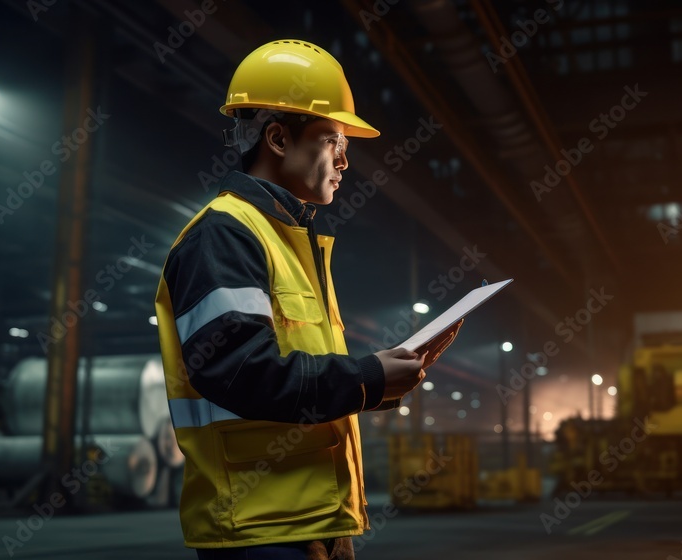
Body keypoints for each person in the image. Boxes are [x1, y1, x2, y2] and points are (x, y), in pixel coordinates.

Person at [155, 39, 460, 560]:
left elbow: (297, 372)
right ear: (277, 137)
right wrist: (367, 377)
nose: (344, 161)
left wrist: (385, 381)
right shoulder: (225, 235)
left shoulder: (288, 239)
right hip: (258, 528)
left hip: (308, 521)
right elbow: (238, 370)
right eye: (332, 140)